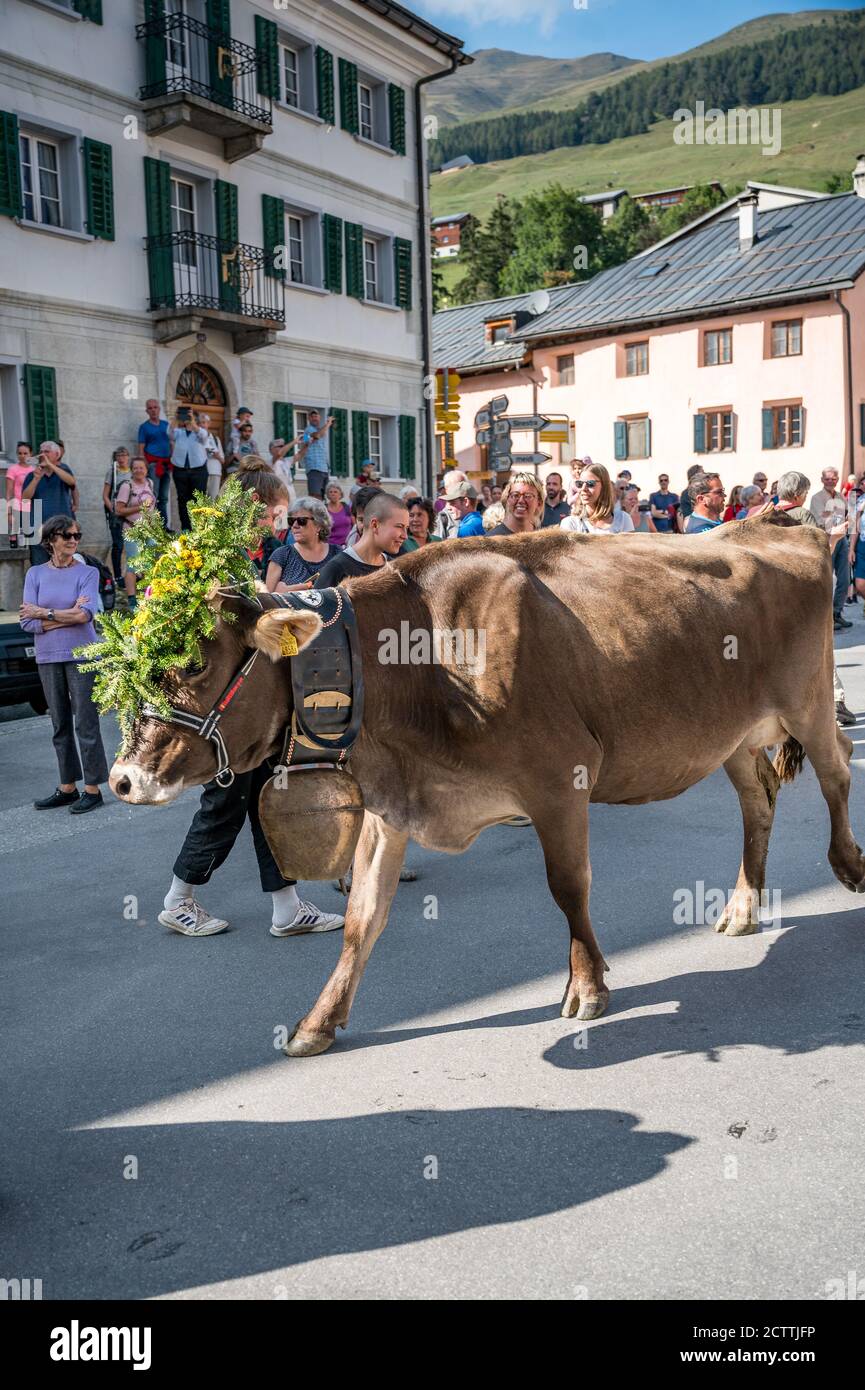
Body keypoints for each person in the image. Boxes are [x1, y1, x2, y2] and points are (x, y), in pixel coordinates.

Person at [160, 459, 345, 939]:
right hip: (225, 714)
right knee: (224, 804)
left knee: (265, 797)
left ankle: (287, 907)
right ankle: (178, 899)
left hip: (244, 711)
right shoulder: (216, 559)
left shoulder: (231, 558)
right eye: (274, 515)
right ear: (250, 508)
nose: (278, 526)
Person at [19, 514, 109, 814]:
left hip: (82, 655)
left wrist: (43, 613)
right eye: (67, 535)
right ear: (50, 540)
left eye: (76, 535)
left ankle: (93, 790)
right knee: (59, 724)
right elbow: (25, 621)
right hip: (47, 657)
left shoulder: (87, 573)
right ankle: (68, 787)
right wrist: (61, 615)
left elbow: (84, 616)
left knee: (86, 722)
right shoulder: (35, 574)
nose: (73, 540)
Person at [777, 470, 855, 727]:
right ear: (800, 493)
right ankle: (836, 703)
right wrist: (834, 536)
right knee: (821, 650)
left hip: (775, 595)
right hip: (802, 593)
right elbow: (817, 554)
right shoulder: (802, 515)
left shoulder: (768, 513)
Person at [316, 491, 409, 586]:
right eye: (399, 526)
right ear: (375, 525)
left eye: (406, 528)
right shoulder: (336, 569)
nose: (405, 536)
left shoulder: (394, 568)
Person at [265, 497, 341, 591]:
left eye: (302, 521)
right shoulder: (281, 555)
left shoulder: (338, 554)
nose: (295, 526)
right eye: (291, 521)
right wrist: (284, 592)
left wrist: (288, 590)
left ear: (319, 525)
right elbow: (266, 598)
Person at [810, 467, 852, 630]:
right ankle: (826, 617)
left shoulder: (841, 496)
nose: (830, 481)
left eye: (833, 479)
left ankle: (836, 612)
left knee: (844, 579)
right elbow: (821, 519)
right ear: (822, 480)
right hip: (826, 538)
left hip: (842, 539)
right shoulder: (817, 498)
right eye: (827, 479)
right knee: (827, 579)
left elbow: (846, 514)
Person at [114, 456, 157, 612]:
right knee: (133, 565)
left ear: (146, 470)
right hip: (131, 530)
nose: (139, 470)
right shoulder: (127, 486)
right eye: (136, 468)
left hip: (149, 531)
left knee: (151, 563)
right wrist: (140, 507)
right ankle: (132, 601)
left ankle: (148, 596)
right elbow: (119, 510)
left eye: (142, 467)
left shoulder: (150, 483)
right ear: (132, 470)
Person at [21, 441, 76, 562]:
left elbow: (72, 482)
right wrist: (36, 479)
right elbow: (25, 498)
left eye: (46, 451)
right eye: (41, 451)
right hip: (39, 528)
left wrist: (51, 465)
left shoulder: (64, 470)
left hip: (62, 529)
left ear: (57, 454)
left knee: (63, 565)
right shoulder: (32, 475)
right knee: (40, 565)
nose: (42, 454)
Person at [561, 462, 634, 534]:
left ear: (604, 486)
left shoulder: (623, 519)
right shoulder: (570, 524)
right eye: (579, 484)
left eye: (590, 484)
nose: (583, 489)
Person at [170, 408, 209, 530]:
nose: (186, 419)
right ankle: (186, 529)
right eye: (185, 417)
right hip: (180, 470)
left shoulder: (200, 432)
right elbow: (169, 433)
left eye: (190, 418)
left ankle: (199, 529)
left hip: (198, 471)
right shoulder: (179, 432)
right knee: (183, 501)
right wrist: (176, 418)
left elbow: (203, 437)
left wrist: (193, 422)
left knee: (199, 500)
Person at [138, 399, 172, 525]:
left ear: (159, 409)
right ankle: (154, 526)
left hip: (167, 465)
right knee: (153, 496)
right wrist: (144, 465)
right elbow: (141, 448)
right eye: (150, 408)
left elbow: (172, 442)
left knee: (164, 498)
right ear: (147, 411)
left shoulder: (166, 425)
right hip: (153, 465)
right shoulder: (144, 427)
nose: (153, 410)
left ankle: (164, 526)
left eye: (155, 407)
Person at [102, 447, 133, 582]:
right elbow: (105, 495)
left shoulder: (133, 472)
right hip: (116, 513)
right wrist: (112, 509)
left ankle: (134, 574)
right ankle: (118, 575)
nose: (121, 458)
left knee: (133, 544)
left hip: (131, 512)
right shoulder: (112, 472)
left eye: (124, 455)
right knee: (118, 544)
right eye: (118, 456)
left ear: (128, 456)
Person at [294, 408, 336, 500]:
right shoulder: (308, 430)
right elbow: (317, 435)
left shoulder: (319, 430)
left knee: (325, 497)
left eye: (316, 416)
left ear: (319, 418)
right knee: (315, 497)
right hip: (314, 467)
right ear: (308, 418)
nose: (314, 418)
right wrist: (328, 423)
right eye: (312, 416)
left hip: (323, 468)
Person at [5, 440, 33, 547]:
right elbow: (9, 492)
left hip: (31, 508)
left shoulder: (34, 470)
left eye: (25, 453)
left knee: (31, 540)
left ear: (31, 454)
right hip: (17, 508)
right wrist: (9, 511)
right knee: (17, 540)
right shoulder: (13, 469)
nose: (22, 456)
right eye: (19, 453)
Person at [344, 482, 383, 548]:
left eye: (373, 521)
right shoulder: (352, 540)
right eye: (361, 520)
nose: (366, 526)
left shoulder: (394, 551)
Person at [198, 412, 224, 500]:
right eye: (199, 423)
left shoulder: (216, 439)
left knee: (213, 500)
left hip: (214, 472)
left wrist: (215, 454)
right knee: (201, 501)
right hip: (199, 472)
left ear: (209, 424)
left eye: (204, 422)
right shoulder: (195, 438)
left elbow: (223, 460)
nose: (201, 425)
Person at [323, 481, 352, 547]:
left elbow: (354, 525)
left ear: (340, 494)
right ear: (327, 495)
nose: (333, 494)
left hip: (348, 545)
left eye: (335, 492)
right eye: (330, 492)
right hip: (331, 546)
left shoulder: (346, 507)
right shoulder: (324, 509)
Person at [676, 465, 705, 532]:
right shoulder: (687, 493)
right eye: (702, 472)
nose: (705, 475)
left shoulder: (700, 491)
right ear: (695, 476)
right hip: (695, 530)